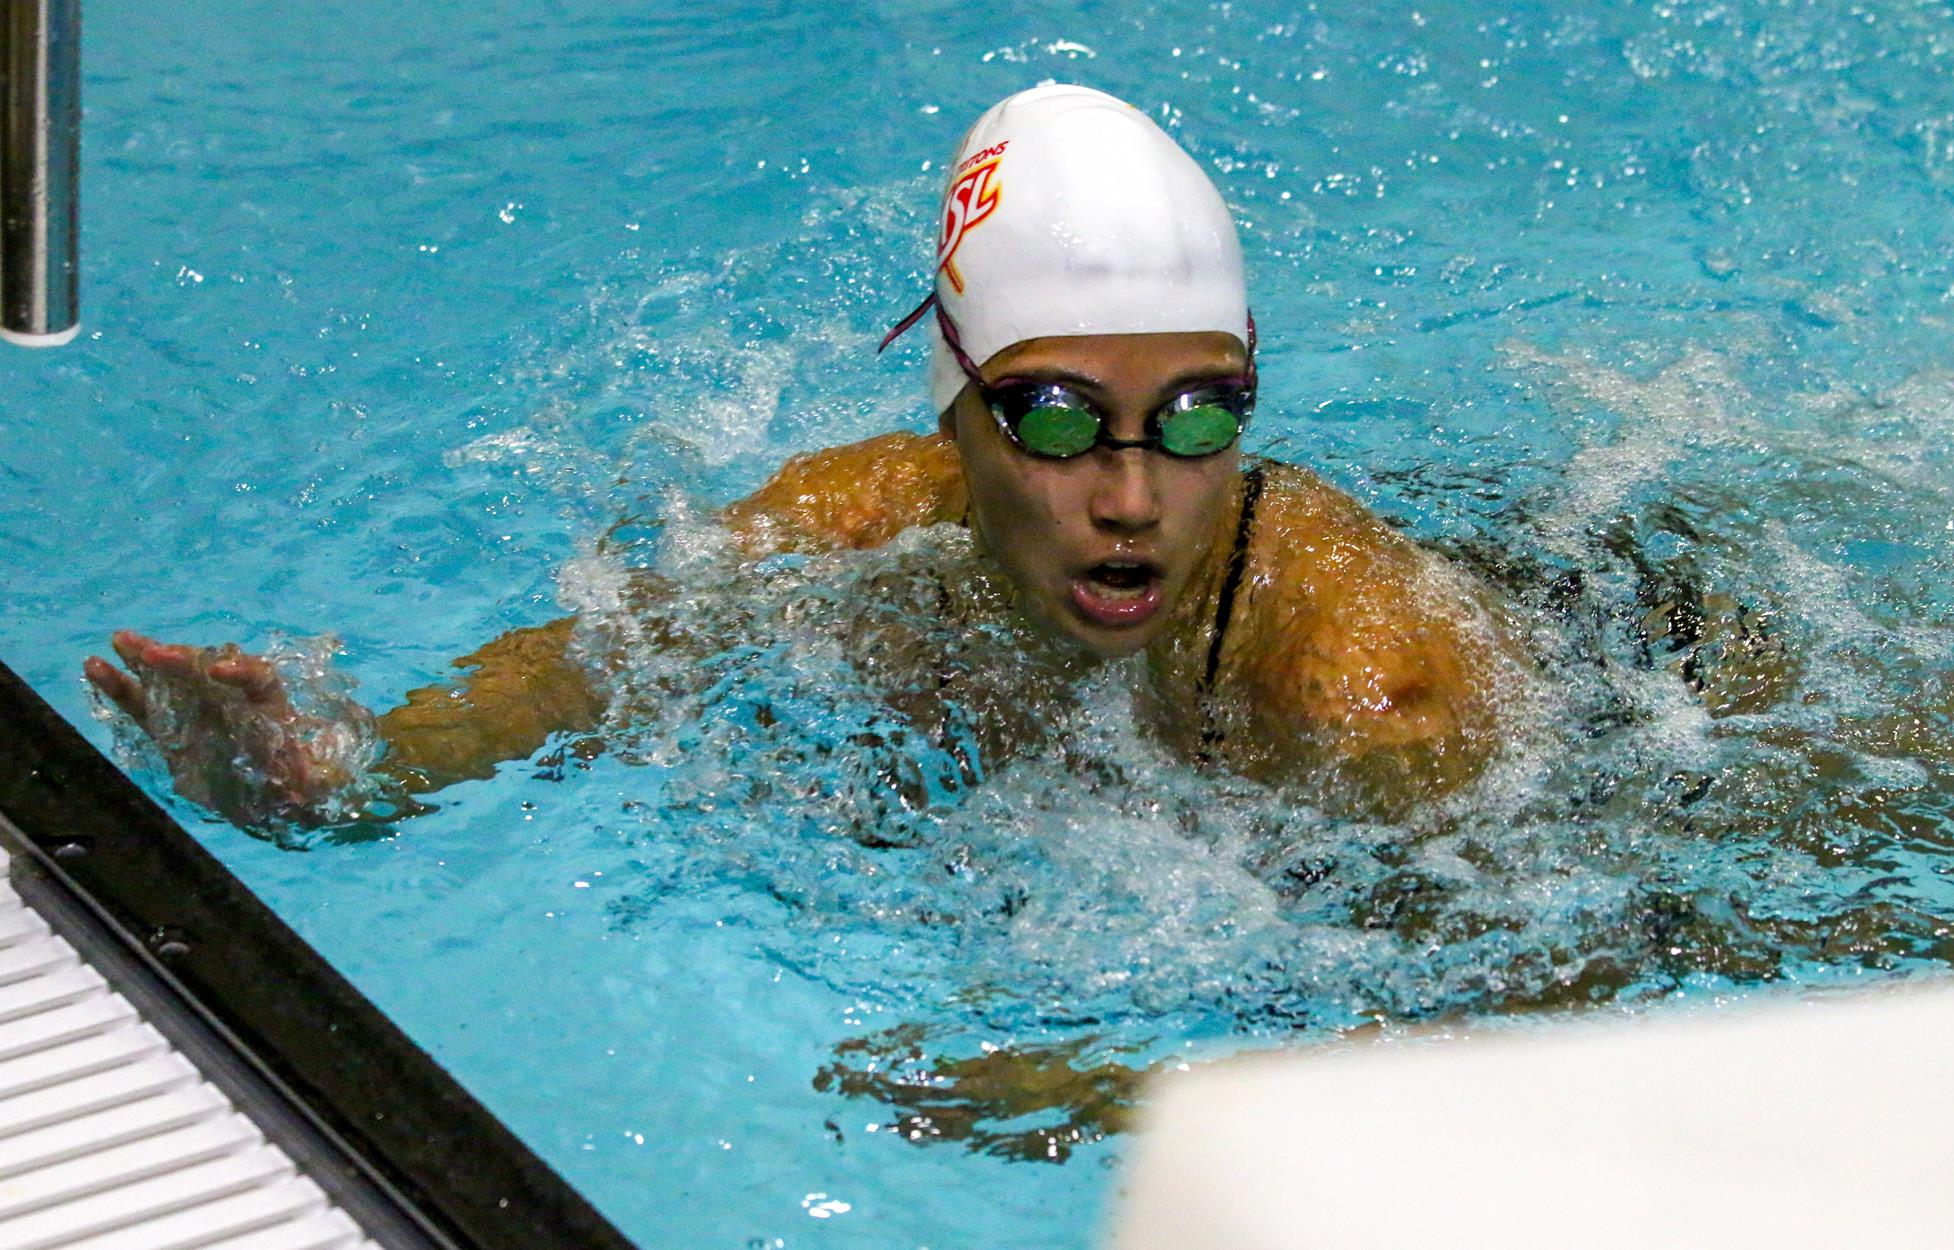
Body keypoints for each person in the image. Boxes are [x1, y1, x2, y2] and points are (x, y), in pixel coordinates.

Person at [84, 84, 1510, 830]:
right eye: (1060, 417)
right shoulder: (872, 512)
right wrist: (355, 773)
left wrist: (1096, 1096)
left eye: (1200, 414)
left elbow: (1529, 1014)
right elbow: (609, 654)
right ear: (951, 407)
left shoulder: (1356, 681)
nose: (1133, 496)